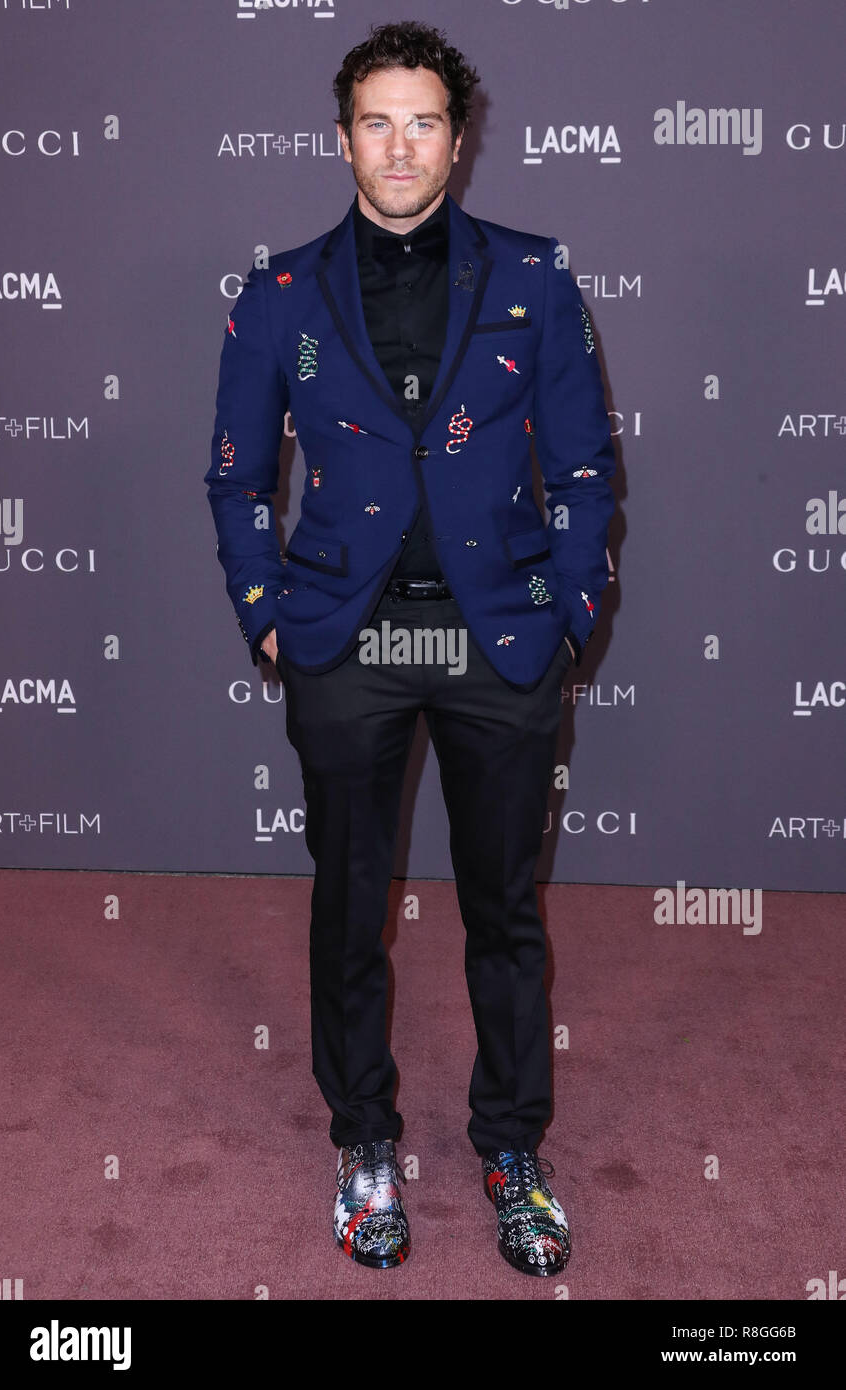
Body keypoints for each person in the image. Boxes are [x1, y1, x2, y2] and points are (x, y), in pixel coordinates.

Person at [205, 19, 616, 1279]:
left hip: (500, 638)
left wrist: (571, 614)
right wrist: (268, 615)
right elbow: (234, 478)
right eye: (375, 121)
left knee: (503, 909)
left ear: (457, 137)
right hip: (343, 639)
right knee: (348, 907)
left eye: (422, 120)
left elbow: (588, 469)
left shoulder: (536, 278)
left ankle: (508, 1146)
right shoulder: (277, 293)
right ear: (342, 140)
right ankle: (364, 1137)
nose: (398, 143)